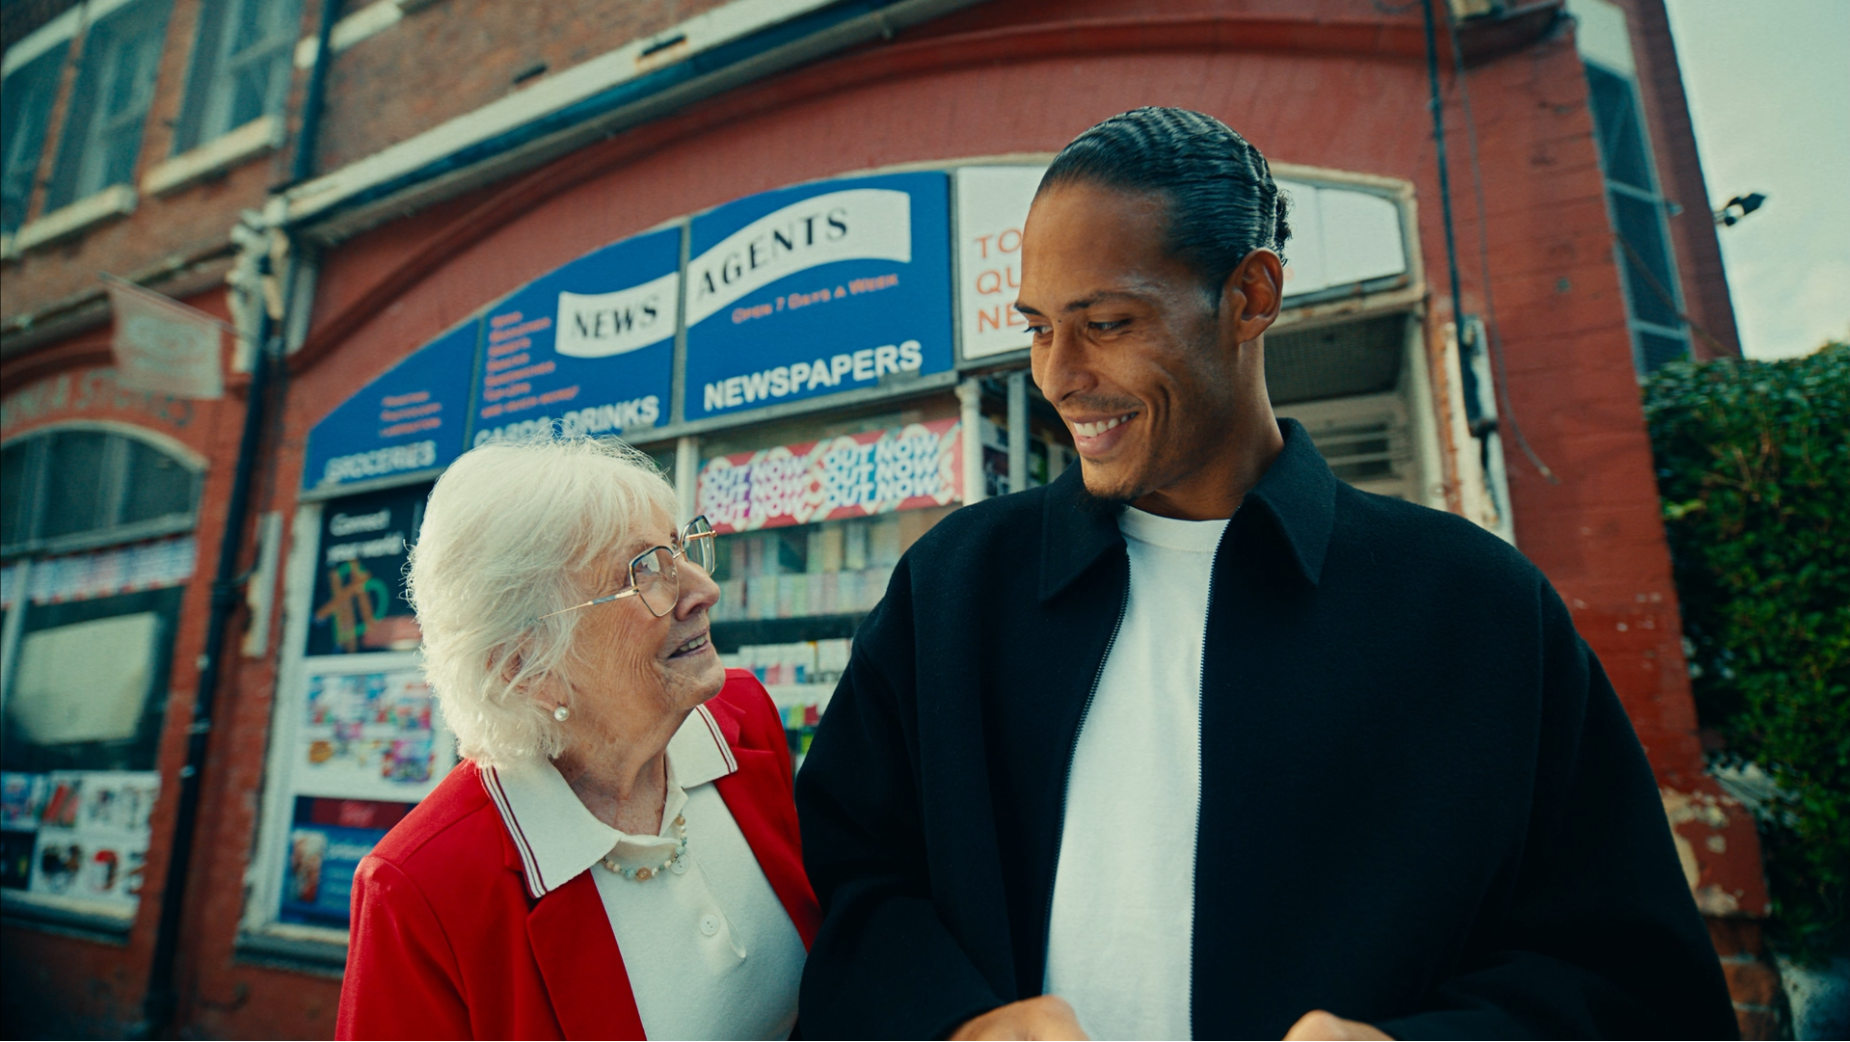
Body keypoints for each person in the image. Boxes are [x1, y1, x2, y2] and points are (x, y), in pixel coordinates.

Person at [794, 108, 1736, 1040]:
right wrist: (956, 1025)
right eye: (1039, 328)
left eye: (1108, 322)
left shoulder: (1476, 609)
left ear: (1251, 296)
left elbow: (1631, 980)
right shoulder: (954, 591)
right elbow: (851, 874)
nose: (1059, 375)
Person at [336, 437, 817, 1040]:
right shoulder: (418, 889)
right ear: (529, 669)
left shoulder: (741, 716)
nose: (703, 590)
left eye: (680, 548)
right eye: (648, 572)